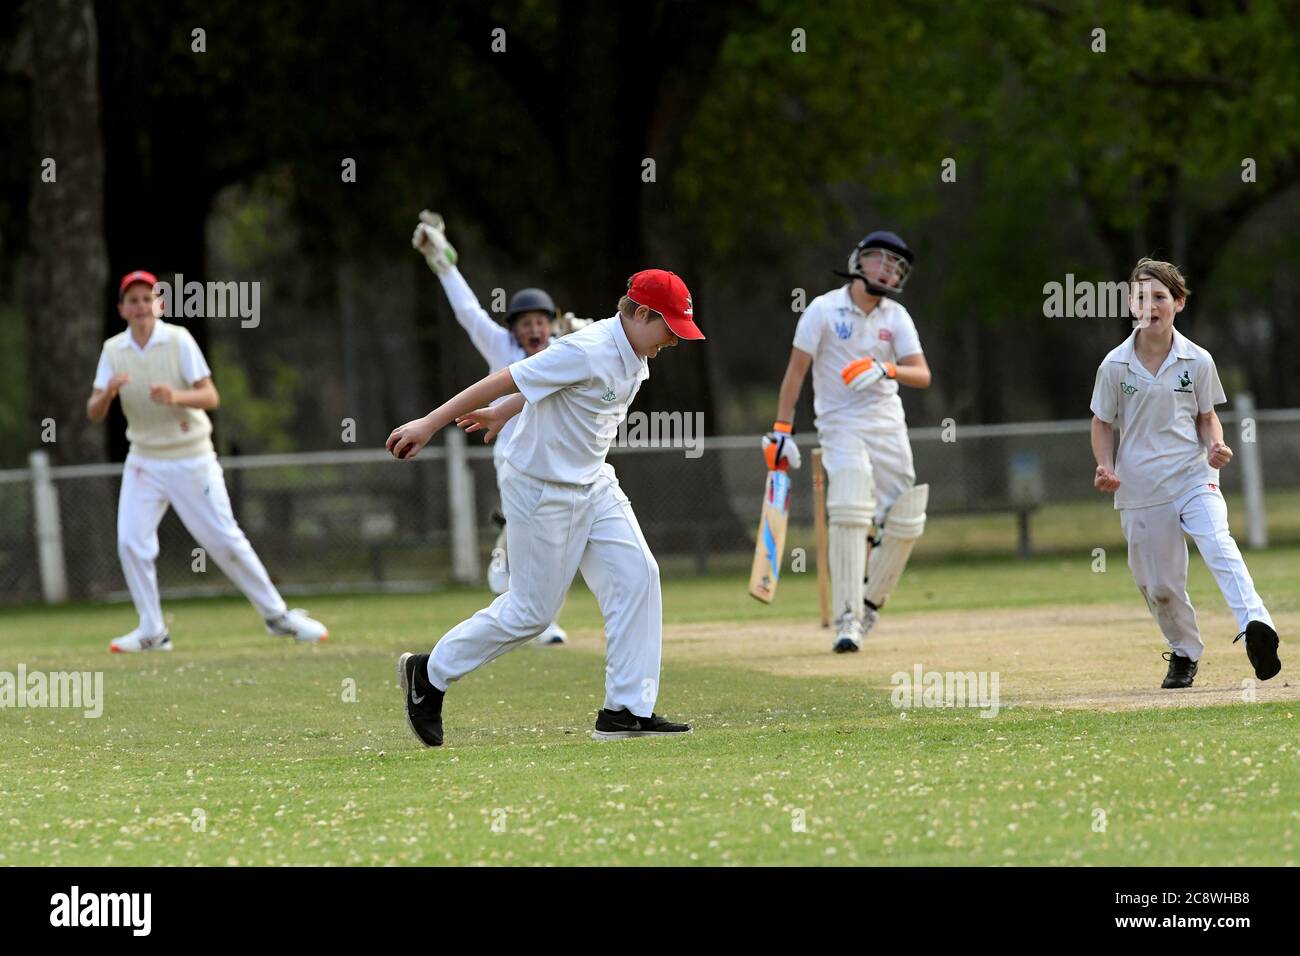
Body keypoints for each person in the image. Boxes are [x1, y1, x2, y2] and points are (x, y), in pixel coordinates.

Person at [388, 269, 701, 744]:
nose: (673, 341)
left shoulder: (634, 352)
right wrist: (429, 425)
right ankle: (429, 673)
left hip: (594, 481)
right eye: (669, 330)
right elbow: (507, 376)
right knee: (531, 612)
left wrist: (505, 410)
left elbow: (549, 387)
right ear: (640, 314)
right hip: (539, 487)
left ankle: (625, 713)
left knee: (640, 576)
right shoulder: (588, 348)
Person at [87, 270, 328, 652]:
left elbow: (210, 397)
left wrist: (175, 397)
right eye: (132, 300)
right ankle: (152, 630)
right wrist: (108, 394)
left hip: (191, 457)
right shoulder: (113, 350)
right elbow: (94, 410)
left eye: (147, 299)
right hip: (144, 460)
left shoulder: (178, 340)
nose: (140, 307)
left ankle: (278, 617)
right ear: (121, 309)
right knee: (130, 541)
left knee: (224, 540)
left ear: (159, 304)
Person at [1090, 258, 1282, 688]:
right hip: (1139, 485)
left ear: (1178, 303)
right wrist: (1105, 465)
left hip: (1193, 476)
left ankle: (1256, 625)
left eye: (1160, 296)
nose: (1150, 304)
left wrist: (1215, 444)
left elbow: (1206, 415)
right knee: (1159, 585)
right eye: (1141, 296)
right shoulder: (1114, 366)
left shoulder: (1197, 359)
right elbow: (1102, 423)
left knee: (1218, 541)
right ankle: (1184, 651)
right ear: (1129, 303)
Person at [764, 232, 932, 653]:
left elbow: (922, 374)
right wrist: (782, 431)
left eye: (897, 267)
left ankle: (870, 601)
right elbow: (795, 375)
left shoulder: (896, 317)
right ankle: (847, 618)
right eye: (882, 261)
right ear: (859, 262)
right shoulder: (822, 309)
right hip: (839, 424)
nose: (889, 271)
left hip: (887, 424)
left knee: (907, 516)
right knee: (851, 502)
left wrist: (885, 368)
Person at [412, 210, 568, 645]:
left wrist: (583, 331)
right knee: (529, 533)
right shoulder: (500, 346)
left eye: (541, 322)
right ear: (514, 328)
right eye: (526, 323)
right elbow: (467, 310)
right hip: (512, 455)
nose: (534, 330)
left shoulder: (564, 349)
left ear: (550, 324)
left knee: (553, 536)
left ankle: (519, 582)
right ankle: (536, 613)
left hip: (555, 455)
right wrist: (443, 263)